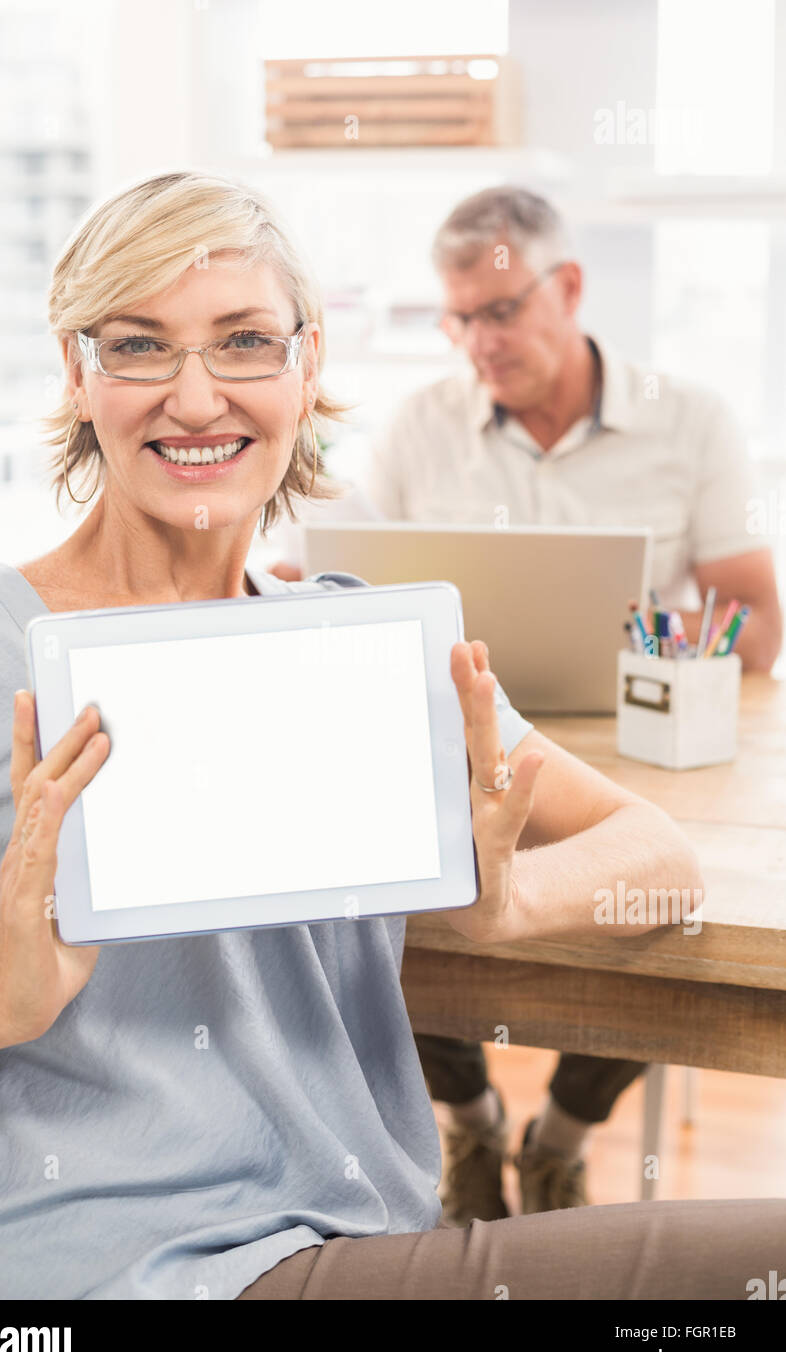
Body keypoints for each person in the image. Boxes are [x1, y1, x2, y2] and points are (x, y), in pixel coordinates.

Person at [0, 170, 783, 1301]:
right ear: (78, 374)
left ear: (307, 365)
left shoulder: (363, 647)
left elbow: (654, 853)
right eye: (138, 346)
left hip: (356, 1246)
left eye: (242, 342)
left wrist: (508, 901)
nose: (194, 398)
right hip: (85, 1277)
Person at [276, 186, 784, 1226]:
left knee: (647, 904)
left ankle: (559, 1135)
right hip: (480, 741)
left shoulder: (688, 417)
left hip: (645, 739)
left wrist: (658, 634)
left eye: (499, 309)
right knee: (388, 886)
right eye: (457, 316)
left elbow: (753, 624)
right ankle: (466, 1122)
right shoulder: (422, 425)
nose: (476, 340)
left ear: (568, 287)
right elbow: (380, 584)